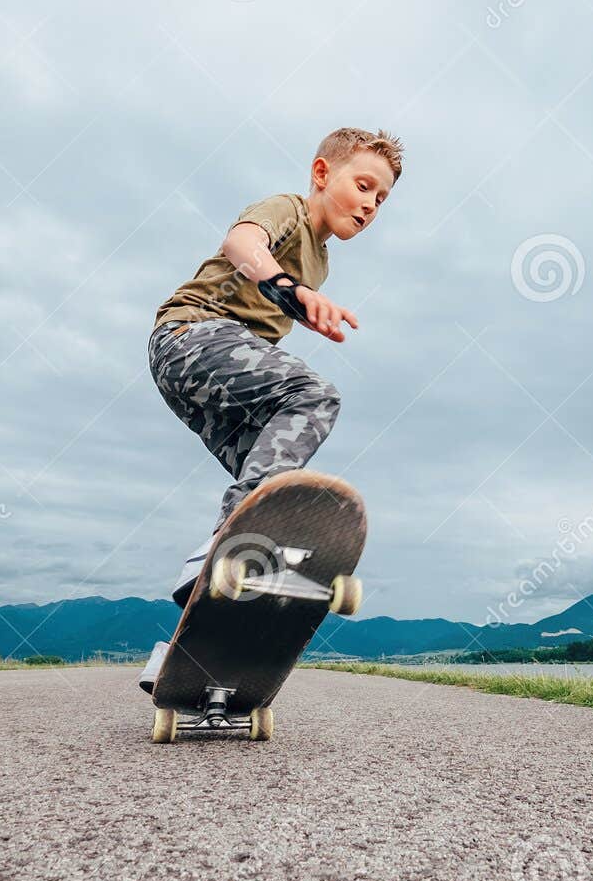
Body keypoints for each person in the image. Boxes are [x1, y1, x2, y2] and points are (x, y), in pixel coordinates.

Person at [137, 127, 402, 693]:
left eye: (381, 199)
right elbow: (240, 243)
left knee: (265, 485)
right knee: (315, 397)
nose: (371, 205)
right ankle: (227, 544)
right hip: (191, 337)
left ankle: (188, 635)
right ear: (322, 173)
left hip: (198, 377)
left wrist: (306, 299)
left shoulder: (322, 261)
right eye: (363, 186)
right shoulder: (287, 210)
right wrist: (287, 285)